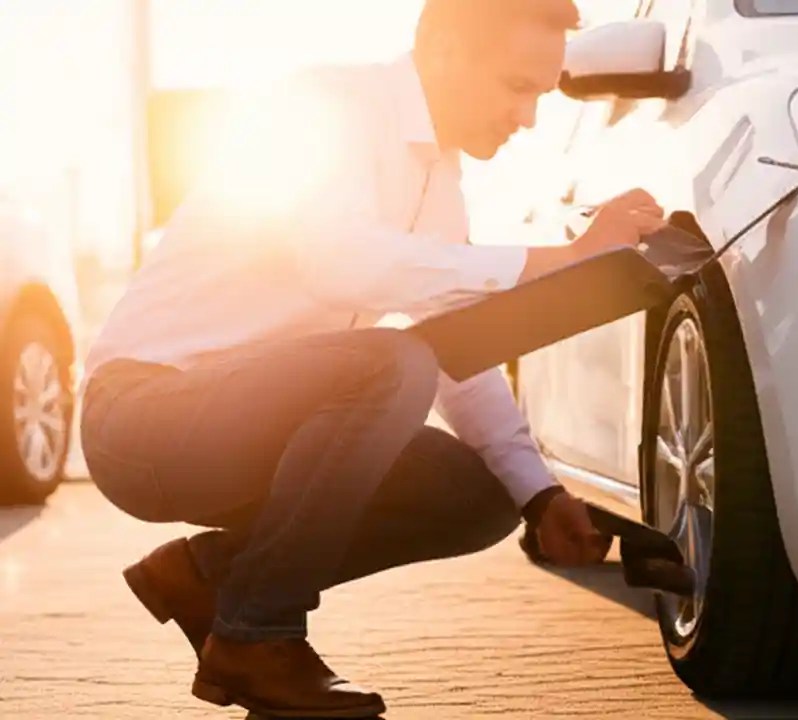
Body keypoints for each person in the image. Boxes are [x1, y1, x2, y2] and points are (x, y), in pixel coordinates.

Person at [79, 0, 667, 716]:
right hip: (145, 419)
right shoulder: (328, 106)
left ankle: (208, 578)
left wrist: (539, 495)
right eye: (517, 87)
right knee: (390, 365)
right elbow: (345, 265)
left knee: (478, 492)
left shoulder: (436, 175)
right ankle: (257, 635)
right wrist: (564, 259)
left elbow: (459, 339)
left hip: (250, 426)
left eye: (540, 95)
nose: (528, 119)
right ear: (444, 50)